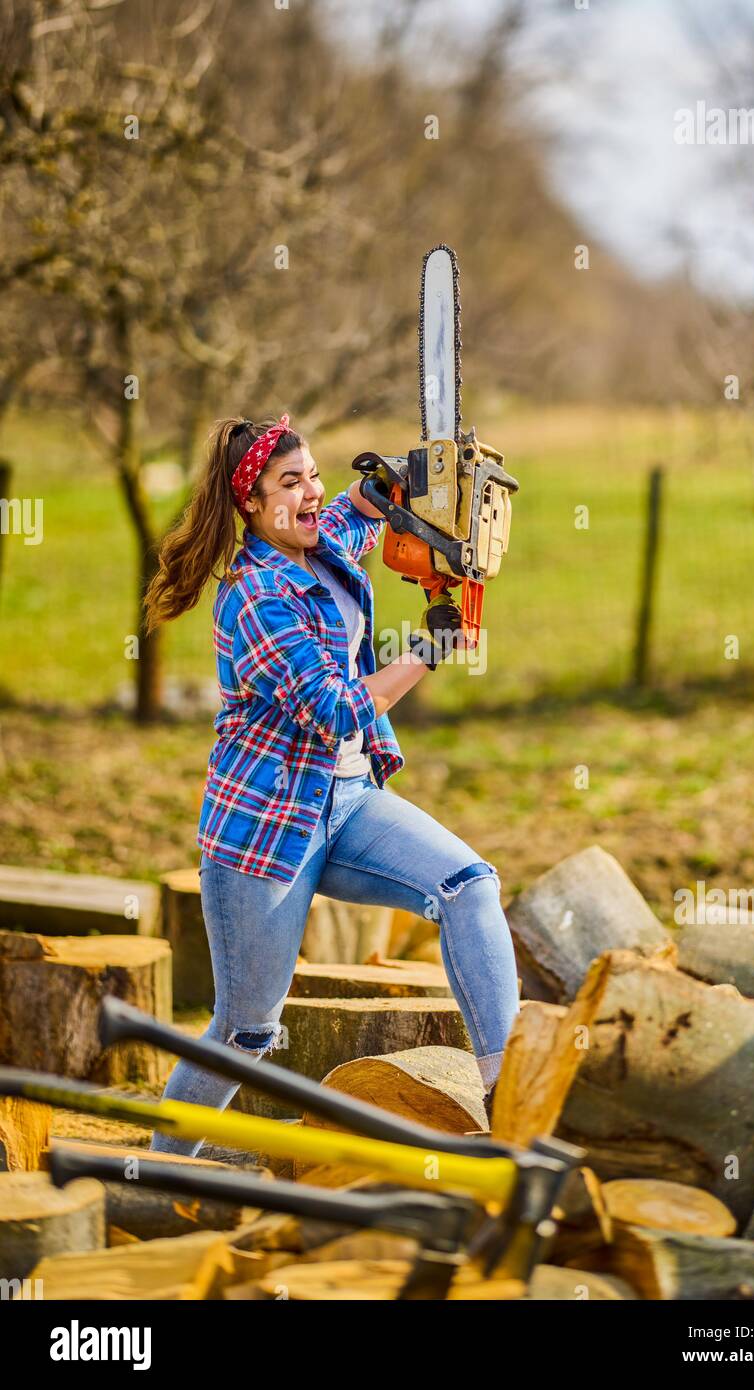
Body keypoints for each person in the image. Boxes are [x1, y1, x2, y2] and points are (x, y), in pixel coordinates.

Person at [143, 414, 519, 1155]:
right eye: (291, 483)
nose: (312, 491)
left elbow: (356, 510)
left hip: (346, 802)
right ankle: (155, 1173)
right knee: (245, 1028)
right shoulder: (255, 595)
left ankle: (510, 1089)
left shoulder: (320, 541)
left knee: (468, 885)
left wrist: (412, 479)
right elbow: (336, 709)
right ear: (250, 505)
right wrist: (428, 649)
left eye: (312, 474)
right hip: (264, 830)